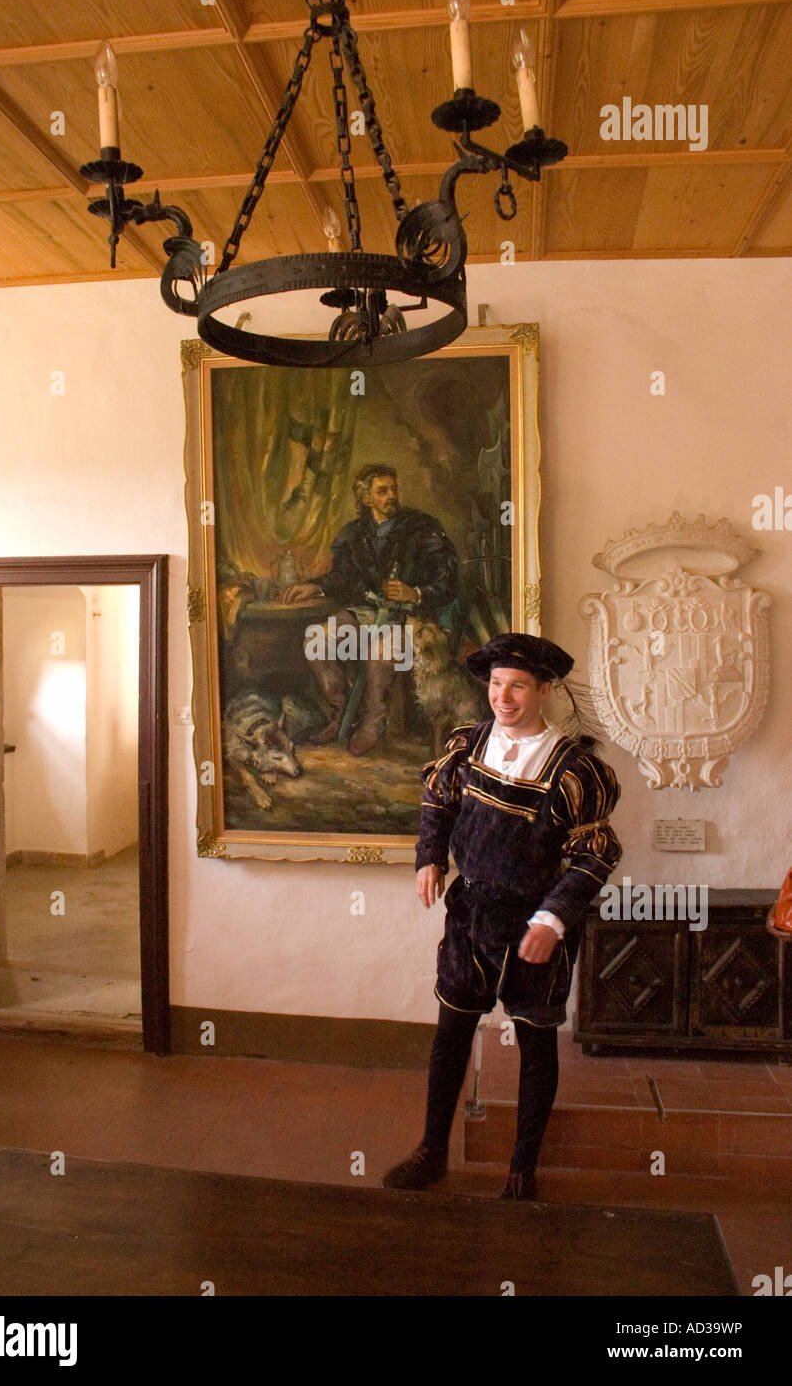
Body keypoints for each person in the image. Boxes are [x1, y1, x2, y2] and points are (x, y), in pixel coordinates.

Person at [382, 632, 623, 1200]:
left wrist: (552, 921)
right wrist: (429, 859)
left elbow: (596, 855)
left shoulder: (574, 771)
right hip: (470, 916)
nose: (503, 696)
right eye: (495, 684)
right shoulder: (466, 745)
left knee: (536, 1045)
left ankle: (522, 1169)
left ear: (543, 690)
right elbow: (438, 803)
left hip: (535, 926)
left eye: (517, 685)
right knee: (450, 1035)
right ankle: (431, 1153)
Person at [280, 464, 459, 754]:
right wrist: (316, 586)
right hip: (367, 612)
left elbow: (448, 580)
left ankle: (373, 723)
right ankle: (341, 713)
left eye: (393, 489)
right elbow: (343, 577)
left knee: (380, 653)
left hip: (412, 619)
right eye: (382, 491)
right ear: (366, 498)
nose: (391, 496)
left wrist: (415, 592)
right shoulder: (353, 534)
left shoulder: (423, 529)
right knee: (316, 640)